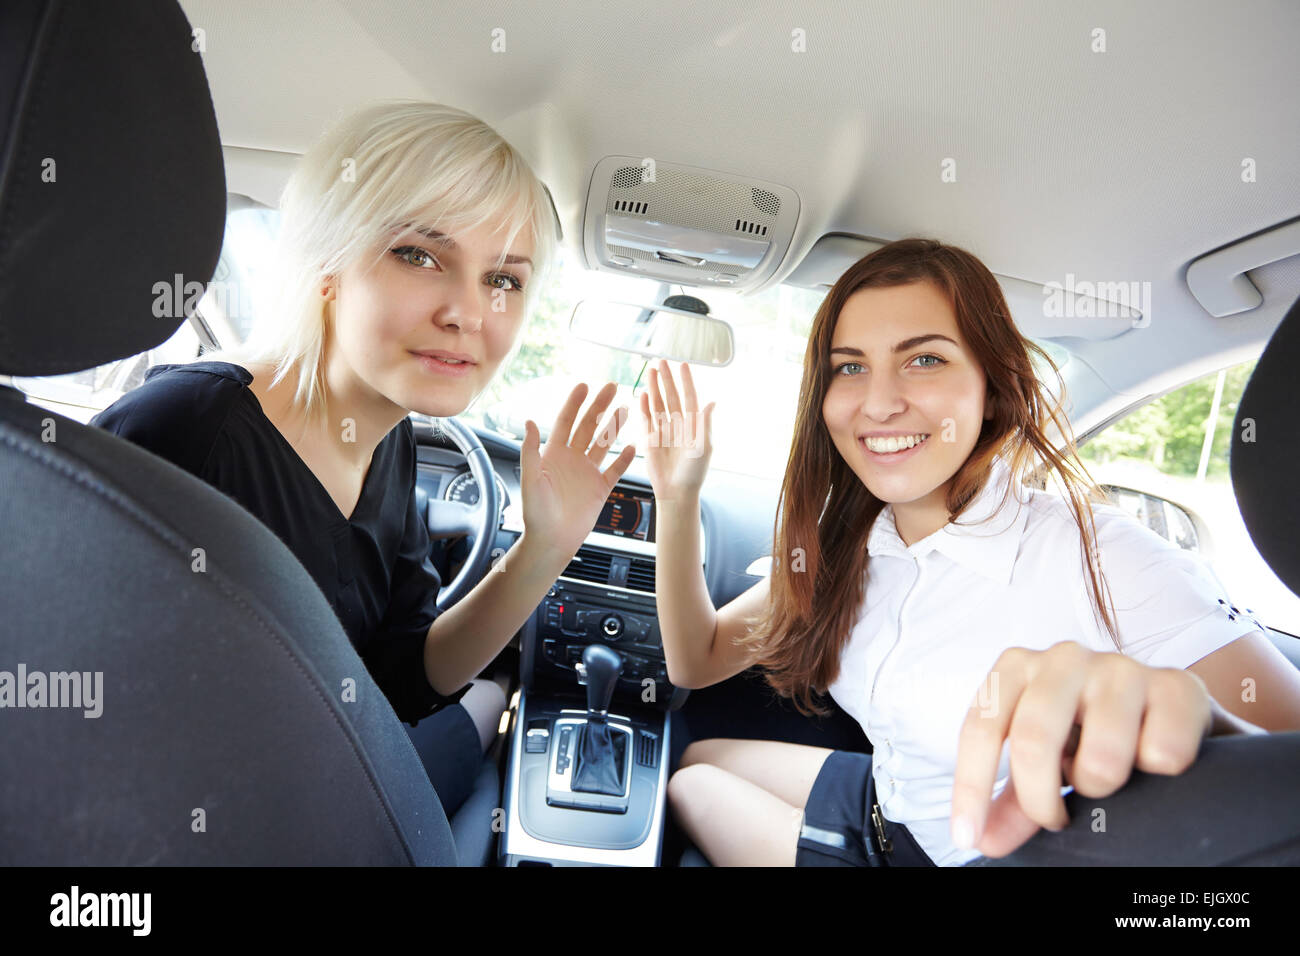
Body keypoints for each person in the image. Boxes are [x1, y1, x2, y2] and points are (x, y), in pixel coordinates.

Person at [640, 238, 1300, 866]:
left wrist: (1212, 731)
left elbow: (1281, 789)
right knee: (695, 760)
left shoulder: (1109, 557)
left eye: (924, 359)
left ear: (992, 386)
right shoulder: (854, 541)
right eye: (851, 366)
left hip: (969, 854)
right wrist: (677, 496)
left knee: (690, 789)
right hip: (886, 808)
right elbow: (698, 659)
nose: (879, 403)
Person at [92, 100, 636, 820]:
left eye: (503, 279)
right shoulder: (187, 430)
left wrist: (545, 549)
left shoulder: (390, 442)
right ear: (327, 263)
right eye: (420, 255)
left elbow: (403, 677)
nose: (469, 314)